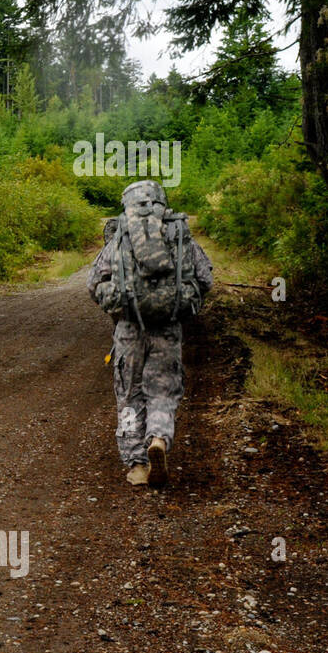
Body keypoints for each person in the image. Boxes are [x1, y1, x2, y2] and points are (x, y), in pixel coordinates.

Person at [88, 180, 213, 486]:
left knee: (129, 397)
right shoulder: (178, 232)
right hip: (168, 328)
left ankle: (136, 464)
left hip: (129, 328)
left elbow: (94, 283)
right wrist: (180, 305)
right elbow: (205, 278)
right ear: (161, 202)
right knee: (164, 391)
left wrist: (116, 305)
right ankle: (158, 437)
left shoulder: (121, 235)